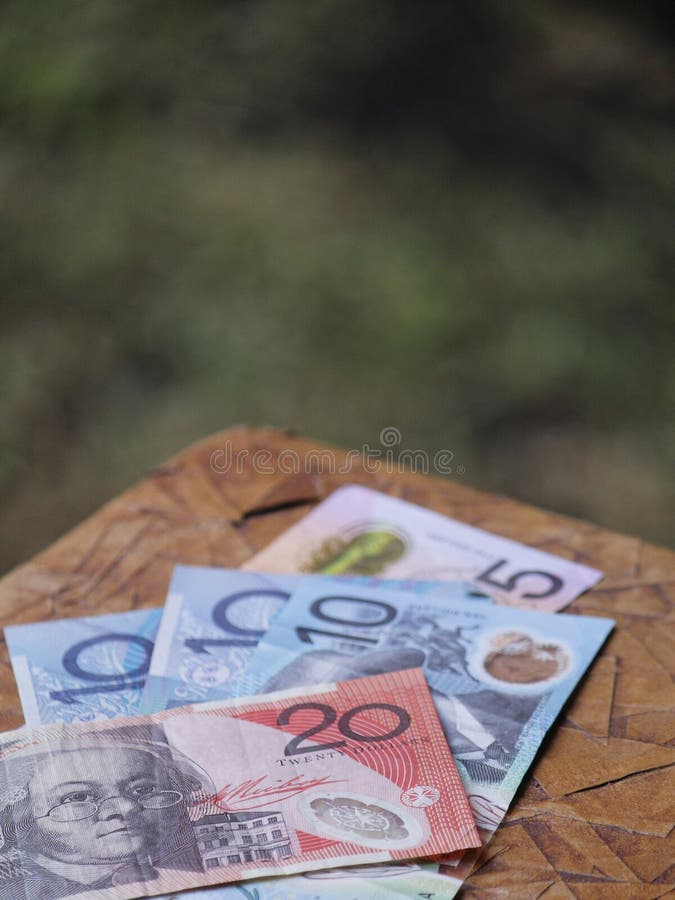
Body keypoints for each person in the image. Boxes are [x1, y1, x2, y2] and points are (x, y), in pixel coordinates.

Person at [0, 734, 206, 899]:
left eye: (143, 789)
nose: (126, 807)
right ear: (21, 816)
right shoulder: (15, 889)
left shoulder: (189, 867)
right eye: (78, 797)